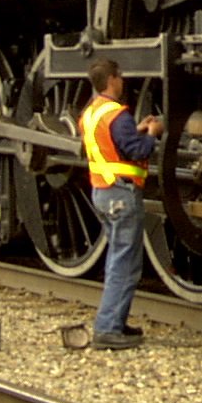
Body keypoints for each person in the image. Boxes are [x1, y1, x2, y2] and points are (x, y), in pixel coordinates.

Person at [78, 58, 163, 349]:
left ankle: (114, 322)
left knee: (118, 259)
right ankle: (108, 328)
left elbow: (110, 145)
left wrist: (135, 128)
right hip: (121, 194)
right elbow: (134, 150)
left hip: (102, 192)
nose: (123, 81)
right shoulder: (117, 114)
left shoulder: (91, 113)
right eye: (120, 76)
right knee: (124, 264)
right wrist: (151, 134)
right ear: (112, 79)